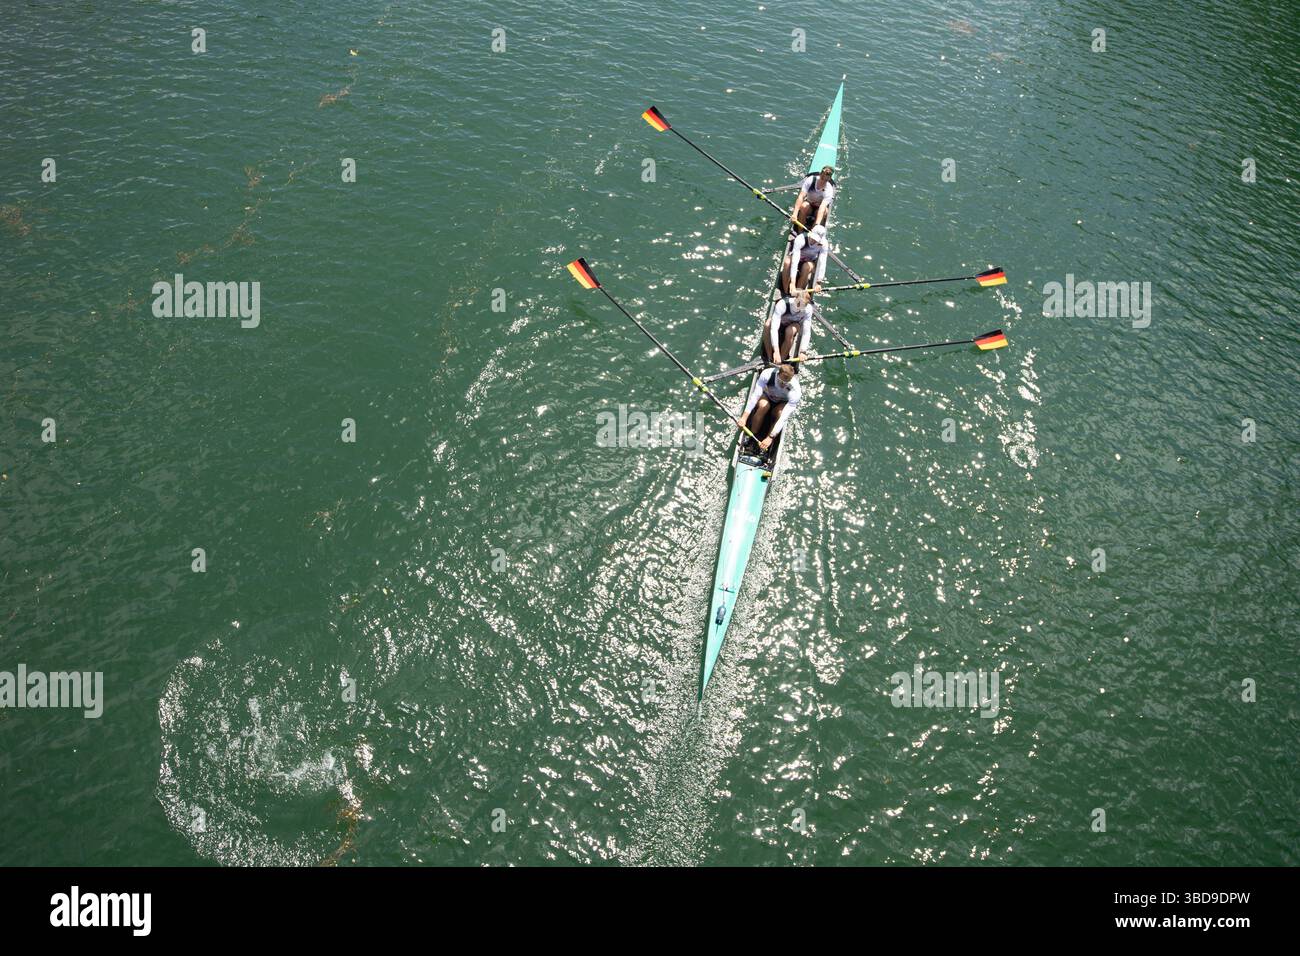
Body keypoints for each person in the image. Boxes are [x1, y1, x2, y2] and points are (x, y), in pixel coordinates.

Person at [738, 363, 801, 456]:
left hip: (781, 403)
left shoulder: (795, 391)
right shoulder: (767, 374)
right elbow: (755, 396)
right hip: (767, 396)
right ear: (777, 374)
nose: (784, 385)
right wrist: (744, 417)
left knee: (779, 413)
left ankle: (766, 444)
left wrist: (771, 437)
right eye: (782, 381)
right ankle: (752, 439)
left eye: (787, 383)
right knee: (764, 406)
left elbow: (784, 417)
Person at [766, 289, 813, 365]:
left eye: (802, 306)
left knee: (790, 331)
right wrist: (776, 351)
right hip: (780, 324)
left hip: (793, 326)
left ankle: (781, 360)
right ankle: (769, 358)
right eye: (798, 304)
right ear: (795, 298)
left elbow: (806, 332)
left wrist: (802, 351)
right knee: (768, 324)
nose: (799, 308)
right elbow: (774, 329)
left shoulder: (808, 309)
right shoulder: (782, 304)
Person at [783, 223, 829, 295]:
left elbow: (822, 262)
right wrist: (792, 282)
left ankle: (797, 294)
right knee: (787, 262)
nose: (814, 241)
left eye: (817, 239)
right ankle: (786, 292)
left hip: (809, 262)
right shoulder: (800, 239)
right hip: (796, 259)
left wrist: (818, 282)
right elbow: (795, 261)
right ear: (810, 232)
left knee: (806, 267)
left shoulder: (824, 244)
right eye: (813, 238)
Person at [792, 165, 835, 230]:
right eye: (822, 178)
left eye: (826, 179)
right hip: (809, 204)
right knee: (803, 206)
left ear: (829, 179)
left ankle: (813, 233)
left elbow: (822, 207)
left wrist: (817, 224)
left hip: (819, 208)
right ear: (820, 174)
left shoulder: (829, 189)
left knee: (824, 212)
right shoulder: (811, 180)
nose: (823, 181)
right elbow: (801, 196)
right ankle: (800, 232)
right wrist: (794, 214)